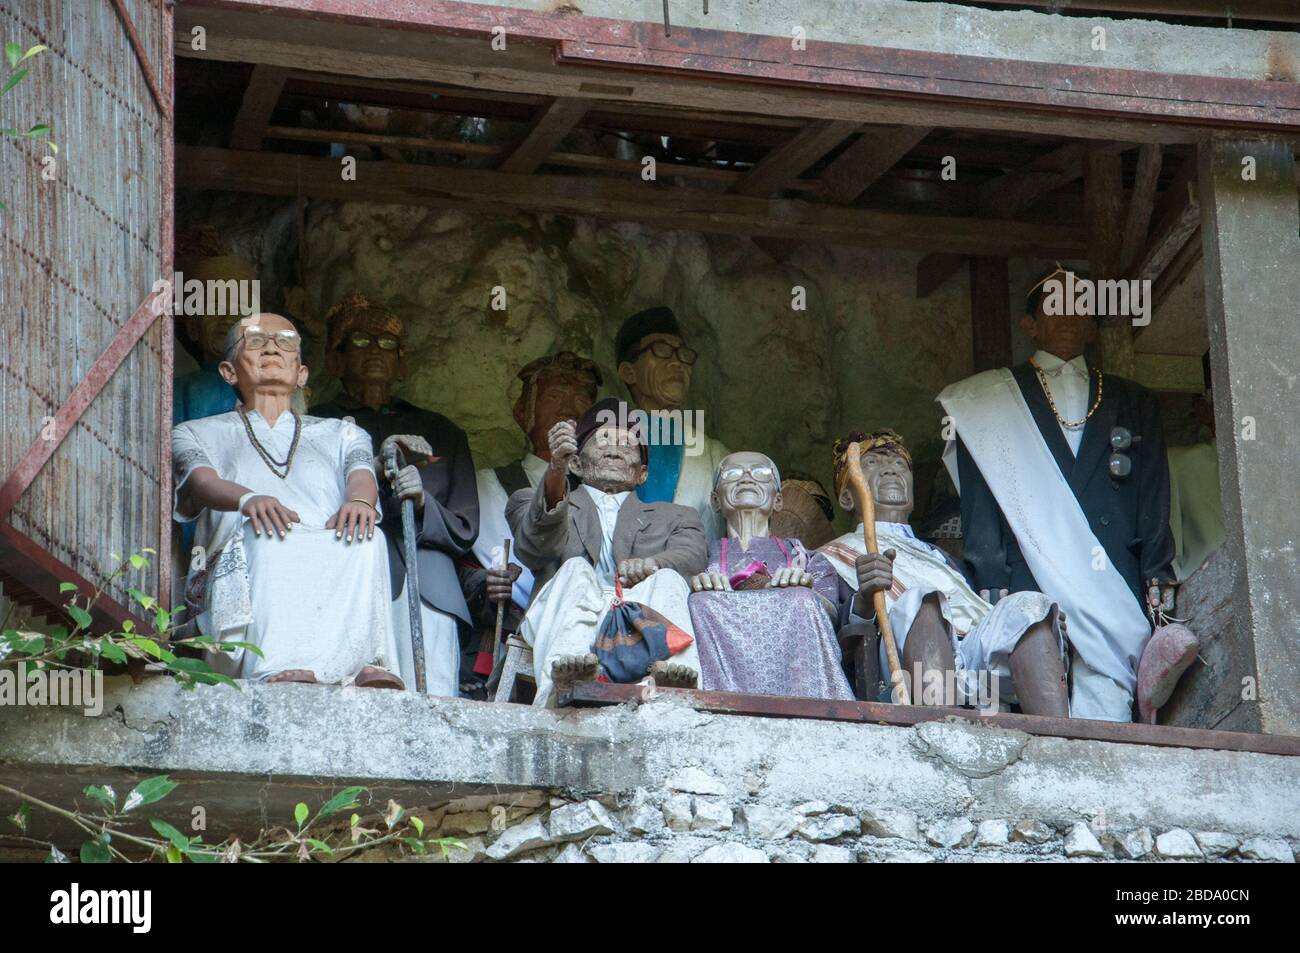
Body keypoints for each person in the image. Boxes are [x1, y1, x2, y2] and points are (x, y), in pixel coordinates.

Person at [937, 266, 1176, 722]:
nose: (1068, 313)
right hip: (1029, 575)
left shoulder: (1134, 400)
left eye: (1080, 304)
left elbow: (1153, 497)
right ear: (1029, 325)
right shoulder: (988, 399)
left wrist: (1158, 571)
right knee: (1038, 699)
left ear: (1091, 324)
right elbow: (981, 507)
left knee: (1109, 707)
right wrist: (991, 576)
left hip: (1113, 583)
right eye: (1054, 303)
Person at [171, 314, 403, 688]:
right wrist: (247, 499)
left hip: (326, 538)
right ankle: (281, 661)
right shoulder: (194, 432)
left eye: (285, 341)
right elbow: (202, 482)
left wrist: (360, 501)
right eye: (257, 340)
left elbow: (360, 473)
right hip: (246, 541)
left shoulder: (343, 432)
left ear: (303, 374)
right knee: (267, 534)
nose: (273, 348)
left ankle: (363, 663)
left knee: (369, 539)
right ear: (229, 371)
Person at [820, 431, 1069, 715]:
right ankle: (943, 728)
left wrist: (1038, 623)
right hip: (901, 672)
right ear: (846, 498)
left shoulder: (943, 559)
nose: (890, 468)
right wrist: (864, 598)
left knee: (1030, 605)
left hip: (974, 659)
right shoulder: (832, 557)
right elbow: (832, 643)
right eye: (873, 463)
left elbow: (987, 619)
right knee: (922, 599)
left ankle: (1059, 740)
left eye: (900, 464)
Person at [311, 293, 479, 696]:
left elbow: (464, 527)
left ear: (402, 361)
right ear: (335, 358)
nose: (375, 352)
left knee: (434, 694)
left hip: (428, 583)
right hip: (345, 576)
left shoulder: (442, 432)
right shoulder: (316, 425)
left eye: (387, 344)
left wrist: (422, 503)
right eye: (360, 341)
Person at [506, 397, 707, 705]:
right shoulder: (533, 498)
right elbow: (533, 549)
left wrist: (652, 564)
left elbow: (693, 557)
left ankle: (677, 684)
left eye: (627, 443)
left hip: (642, 617)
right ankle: (565, 681)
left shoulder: (677, 515)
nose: (614, 448)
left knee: (668, 578)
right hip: (568, 613)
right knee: (575, 569)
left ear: (642, 474)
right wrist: (556, 470)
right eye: (603, 440)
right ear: (576, 462)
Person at [687, 452, 855, 701]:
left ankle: (806, 705)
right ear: (715, 501)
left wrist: (806, 590)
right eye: (732, 474)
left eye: (761, 473)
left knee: (800, 598)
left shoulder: (804, 556)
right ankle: (719, 703)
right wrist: (697, 586)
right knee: (699, 602)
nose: (746, 478)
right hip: (724, 670)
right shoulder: (700, 555)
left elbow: (831, 613)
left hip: (796, 671)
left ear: (777, 501)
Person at [464, 352, 602, 646]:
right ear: (523, 414)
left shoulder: (602, 492)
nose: (569, 409)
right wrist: (486, 584)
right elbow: (461, 565)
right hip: (514, 630)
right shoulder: (487, 486)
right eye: (554, 396)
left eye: (581, 400)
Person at [615, 307, 730, 540]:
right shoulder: (604, 445)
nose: (677, 363)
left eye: (683, 354)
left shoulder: (715, 456)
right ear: (628, 372)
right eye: (662, 351)